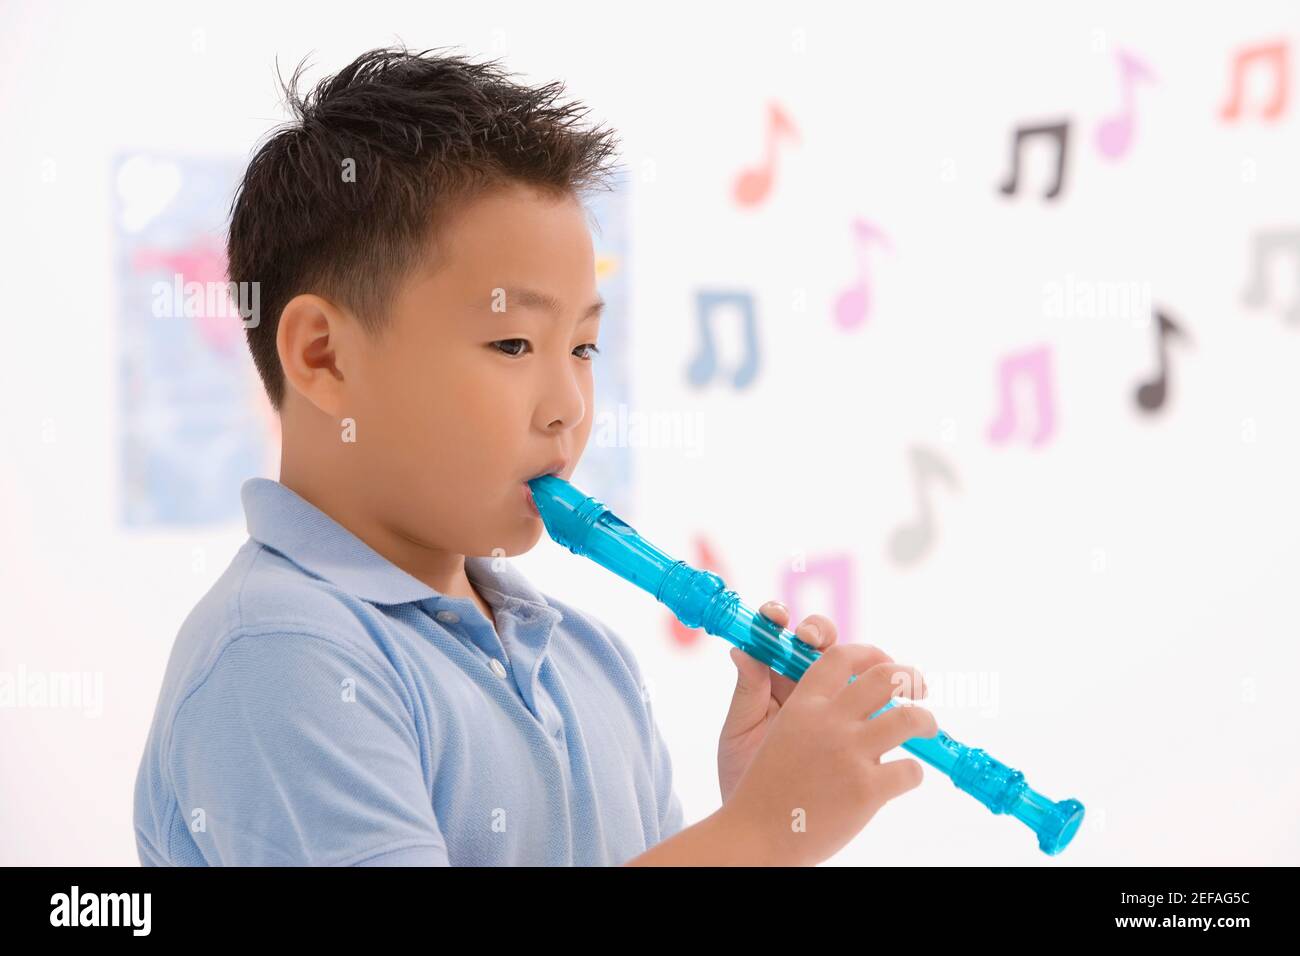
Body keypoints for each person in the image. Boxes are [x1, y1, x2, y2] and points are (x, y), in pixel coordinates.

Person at [132, 45, 936, 866]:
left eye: (583, 347)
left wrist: (758, 813)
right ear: (325, 358)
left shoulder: (590, 660)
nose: (568, 407)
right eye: (513, 342)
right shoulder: (280, 655)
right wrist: (758, 836)